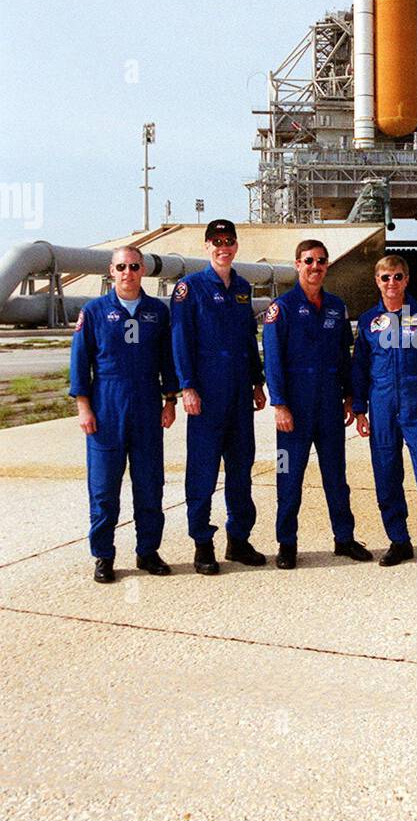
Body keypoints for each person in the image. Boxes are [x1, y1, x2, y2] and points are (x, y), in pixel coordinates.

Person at [69, 245, 178, 582]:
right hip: (106, 408)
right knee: (104, 490)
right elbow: (80, 362)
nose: (128, 273)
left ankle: (148, 551)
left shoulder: (157, 312)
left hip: (146, 406)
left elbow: (167, 359)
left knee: (149, 485)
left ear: (143, 270)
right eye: (121, 267)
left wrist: (170, 399)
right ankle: (103, 555)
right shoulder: (94, 311)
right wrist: (83, 406)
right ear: (111, 271)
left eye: (134, 266)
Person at [262, 238, 372, 569]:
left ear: (326, 266)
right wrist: (279, 404)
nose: (315, 266)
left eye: (321, 261)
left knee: (336, 476)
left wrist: (350, 395)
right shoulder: (280, 309)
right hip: (293, 411)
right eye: (308, 261)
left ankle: (344, 538)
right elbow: (273, 361)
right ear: (298, 265)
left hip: (328, 407)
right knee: (288, 476)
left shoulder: (337, 307)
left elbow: (344, 354)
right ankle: (287, 542)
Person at [170, 219, 267, 574]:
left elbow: (247, 338)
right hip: (206, 395)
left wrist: (258, 381)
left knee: (241, 469)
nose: (223, 247)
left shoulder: (242, 287)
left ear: (236, 246)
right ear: (207, 246)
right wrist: (187, 385)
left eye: (229, 241)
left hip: (239, 393)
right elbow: (180, 339)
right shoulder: (189, 288)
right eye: (216, 241)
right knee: (203, 471)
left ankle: (238, 540)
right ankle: (202, 543)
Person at [352, 254, 417, 572]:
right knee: (386, 475)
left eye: (397, 276)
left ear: (406, 279)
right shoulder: (369, 321)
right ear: (377, 281)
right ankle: (399, 541)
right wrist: (359, 410)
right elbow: (361, 368)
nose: (391, 283)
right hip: (382, 407)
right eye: (385, 278)